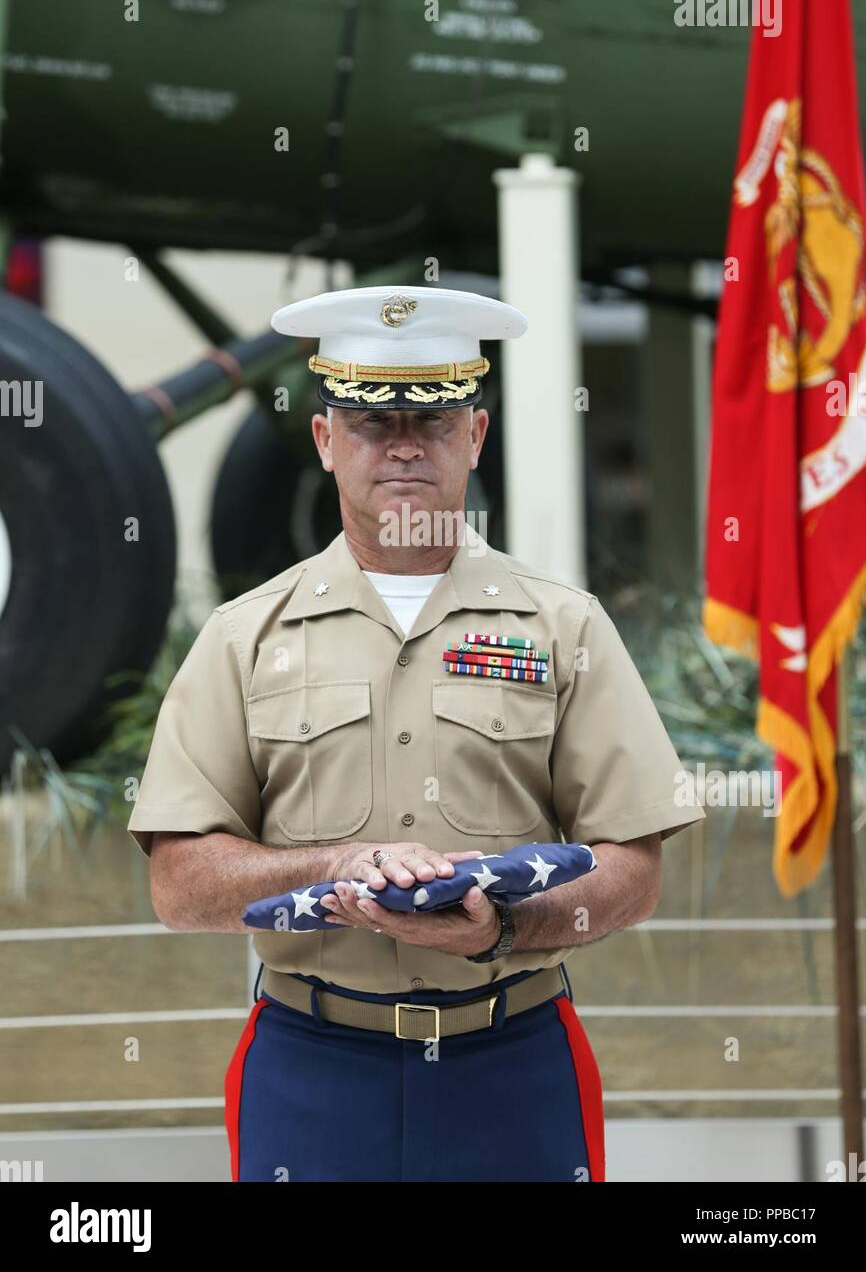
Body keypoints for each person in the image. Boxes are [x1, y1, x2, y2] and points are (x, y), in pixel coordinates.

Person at [127, 284, 706, 1183]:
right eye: (368, 419)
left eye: (432, 421)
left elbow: (633, 869)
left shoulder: (564, 628)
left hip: (510, 1065)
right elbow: (178, 884)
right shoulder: (243, 639)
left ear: (475, 437)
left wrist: (503, 927)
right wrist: (329, 866)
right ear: (324, 442)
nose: (401, 444)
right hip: (314, 1071)